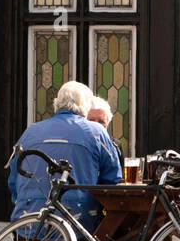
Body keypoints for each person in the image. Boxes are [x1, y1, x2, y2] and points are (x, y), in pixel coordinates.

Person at [8, 80, 122, 233]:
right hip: (77, 226)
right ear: (86, 106)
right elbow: (113, 182)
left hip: (26, 226)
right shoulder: (96, 132)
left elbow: (13, 181)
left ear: (57, 103)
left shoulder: (30, 132)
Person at [88, 94, 125, 172]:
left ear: (108, 122)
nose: (97, 125)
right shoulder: (78, 144)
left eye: (101, 121)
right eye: (91, 121)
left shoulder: (115, 145)